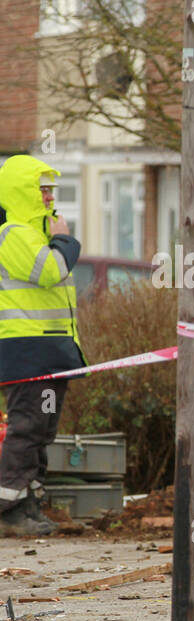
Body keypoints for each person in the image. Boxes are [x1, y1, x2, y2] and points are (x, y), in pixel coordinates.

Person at [0, 156, 84, 536]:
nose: (49, 196)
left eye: (51, 188)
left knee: (44, 429)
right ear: (22, 192)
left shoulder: (38, 234)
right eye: (42, 188)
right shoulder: (14, 234)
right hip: (27, 352)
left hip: (51, 352)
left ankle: (29, 501)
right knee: (28, 427)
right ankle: (9, 508)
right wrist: (66, 240)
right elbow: (49, 271)